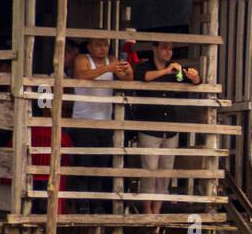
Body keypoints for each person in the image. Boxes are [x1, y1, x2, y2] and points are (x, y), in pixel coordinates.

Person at [131, 41, 200, 215]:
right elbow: (142, 76)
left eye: (170, 48)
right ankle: (147, 212)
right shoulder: (145, 66)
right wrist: (166, 71)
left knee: (165, 174)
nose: (168, 52)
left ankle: (157, 211)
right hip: (149, 126)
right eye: (163, 47)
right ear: (154, 49)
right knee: (149, 172)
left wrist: (194, 77)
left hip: (170, 128)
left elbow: (197, 82)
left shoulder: (177, 70)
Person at [72, 38, 132, 212]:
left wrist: (127, 70)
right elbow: (83, 75)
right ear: (89, 46)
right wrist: (109, 68)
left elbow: (128, 80)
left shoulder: (112, 60)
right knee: (84, 165)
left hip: (105, 122)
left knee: (101, 165)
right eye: (98, 45)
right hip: (83, 121)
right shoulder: (83, 58)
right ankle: (83, 204)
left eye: (105, 45)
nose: (102, 49)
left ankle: (97, 204)